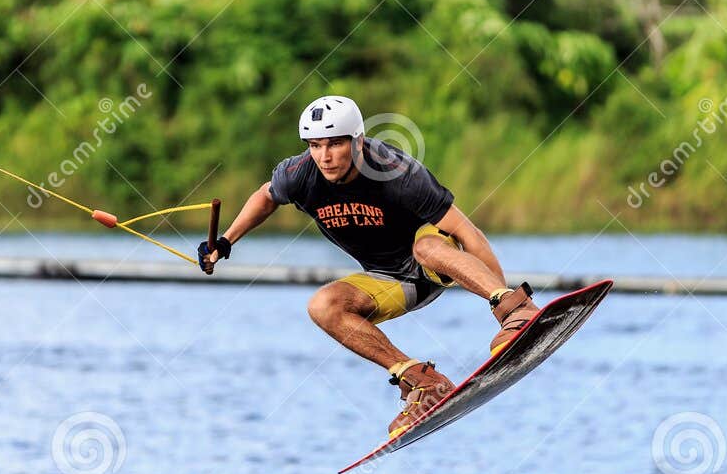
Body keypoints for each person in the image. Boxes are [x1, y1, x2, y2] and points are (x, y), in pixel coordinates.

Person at [198, 95, 540, 438]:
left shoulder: (396, 172)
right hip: (394, 281)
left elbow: (467, 232)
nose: (324, 156)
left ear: (358, 141)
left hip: (436, 258)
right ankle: (420, 380)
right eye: (315, 145)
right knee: (322, 305)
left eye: (335, 144)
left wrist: (507, 306)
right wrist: (225, 242)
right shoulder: (298, 174)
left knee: (425, 247)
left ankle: (516, 308)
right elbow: (266, 196)